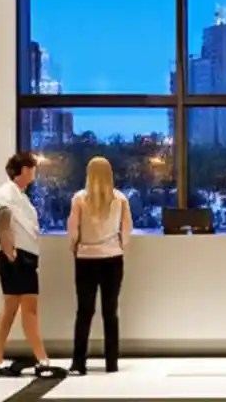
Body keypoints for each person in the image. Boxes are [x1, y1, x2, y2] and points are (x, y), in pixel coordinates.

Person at [0, 152, 63, 379]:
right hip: (17, 258)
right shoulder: (6, 194)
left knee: (14, 310)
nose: (34, 172)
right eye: (31, 168)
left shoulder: (19, 195)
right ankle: (40, 360)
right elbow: (2, 223)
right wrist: (10, 254)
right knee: (26, 310)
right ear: (23, 170)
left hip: (24, 258)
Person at [66, 156, 133, 375]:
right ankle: (111, 363)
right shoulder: (120, 199)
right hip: (112, 258)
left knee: (84, 311)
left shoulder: (79, 199)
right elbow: (126, 230)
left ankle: (78, 362)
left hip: (86, 258)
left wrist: (75, 247)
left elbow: (73, 230)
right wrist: (119, 247)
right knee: (110, 311)